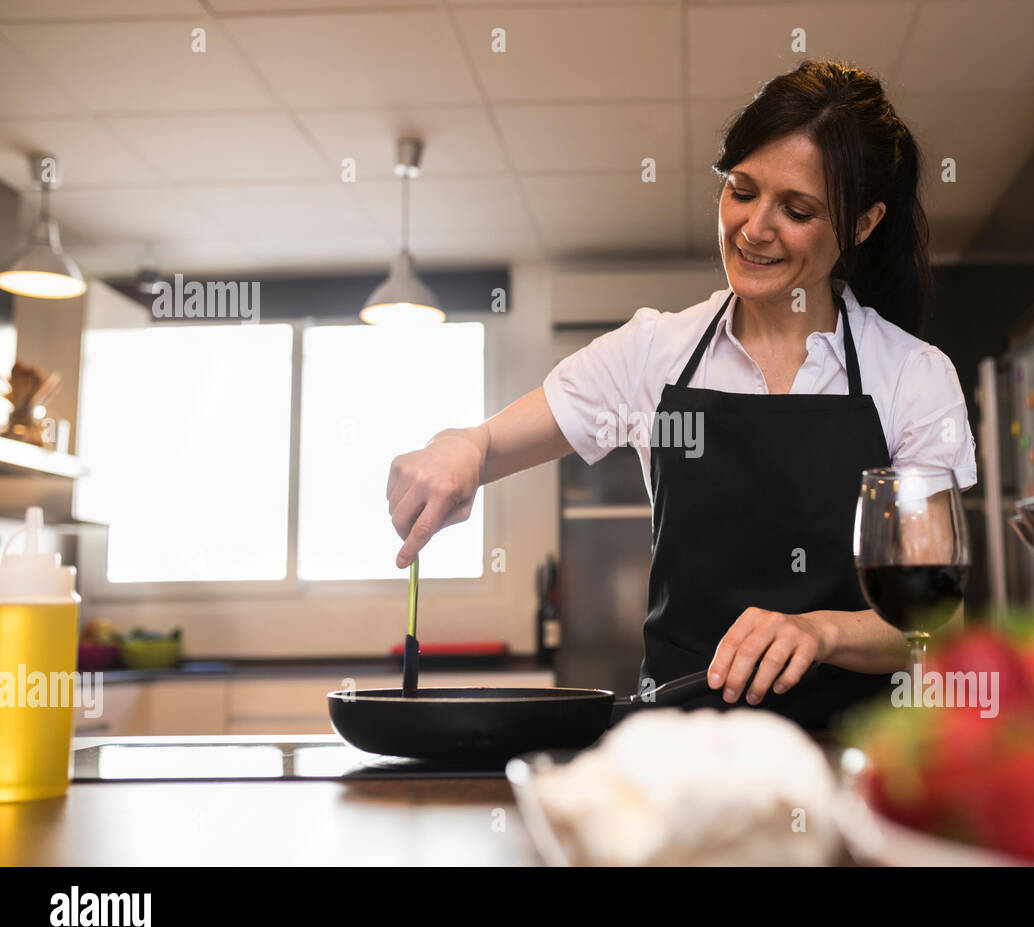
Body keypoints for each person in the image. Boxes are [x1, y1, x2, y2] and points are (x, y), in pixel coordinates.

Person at [387, 59, 978, 730]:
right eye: (742, 190)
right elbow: (487, 443)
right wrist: (456, 448)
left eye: (797, 209)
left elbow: (936, 623)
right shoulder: (653, 354)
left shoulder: (914, 376)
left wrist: (821, 632)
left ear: (865, 222)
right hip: (684, 753)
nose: (755, 227)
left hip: (860, 759)